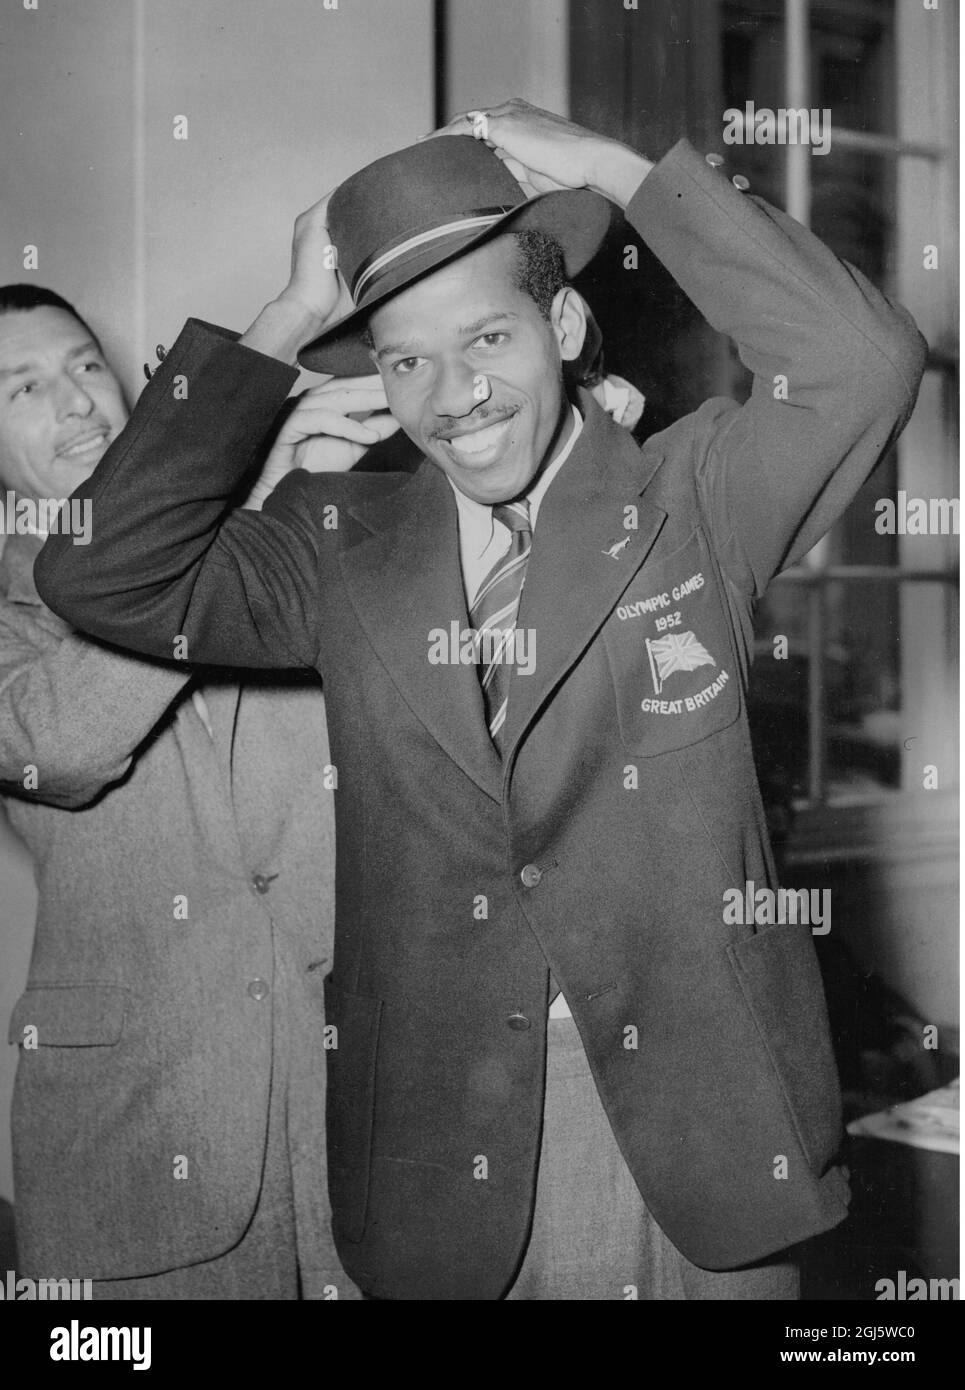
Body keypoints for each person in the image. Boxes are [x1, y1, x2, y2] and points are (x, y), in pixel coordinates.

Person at [35, 100, 927, 1301]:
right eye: (406, 358)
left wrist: (618, 172)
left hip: (709, 1148)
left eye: (487, 339)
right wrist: (289, 314)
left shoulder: (691, 495)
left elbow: (859, 360)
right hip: (447, 1166)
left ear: (561, 322)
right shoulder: (338, 541)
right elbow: (106, 568)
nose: (451, 394)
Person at [0, 283, 369, 1299]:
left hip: (355, 1121)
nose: (75, 401)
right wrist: (238, 506)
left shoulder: (292, 531)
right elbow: (62, 739)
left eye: (83, 365)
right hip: (138, 1136)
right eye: (22, 386)